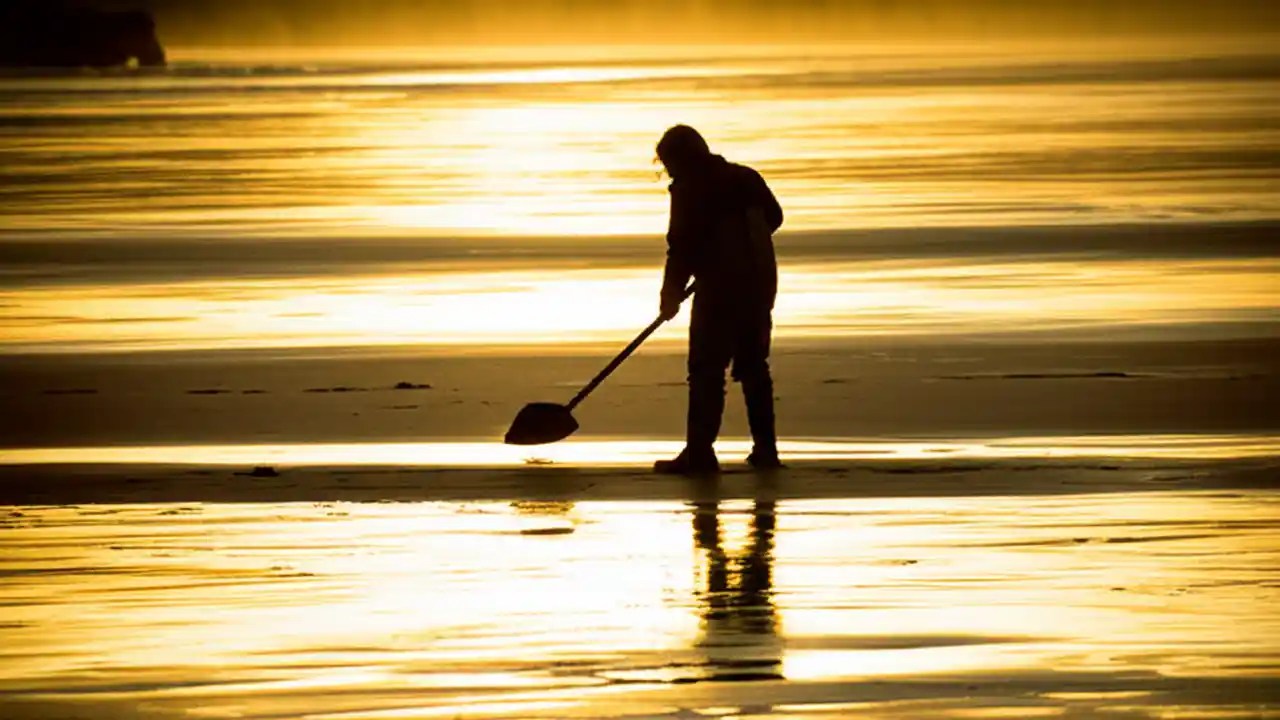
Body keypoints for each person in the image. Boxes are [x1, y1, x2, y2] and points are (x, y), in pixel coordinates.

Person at [653, 125, 784, 474]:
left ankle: (699, 453)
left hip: (719, 291)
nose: (667, 170)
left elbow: (680, 247)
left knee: (706, 370)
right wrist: (736, 245)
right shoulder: (746, 178)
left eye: (668, 163)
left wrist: (671, 294)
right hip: (758, 282)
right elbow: (775, 217)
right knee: (754, 367)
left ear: (683, 158)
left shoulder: (689, 189)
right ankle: (766, 452)